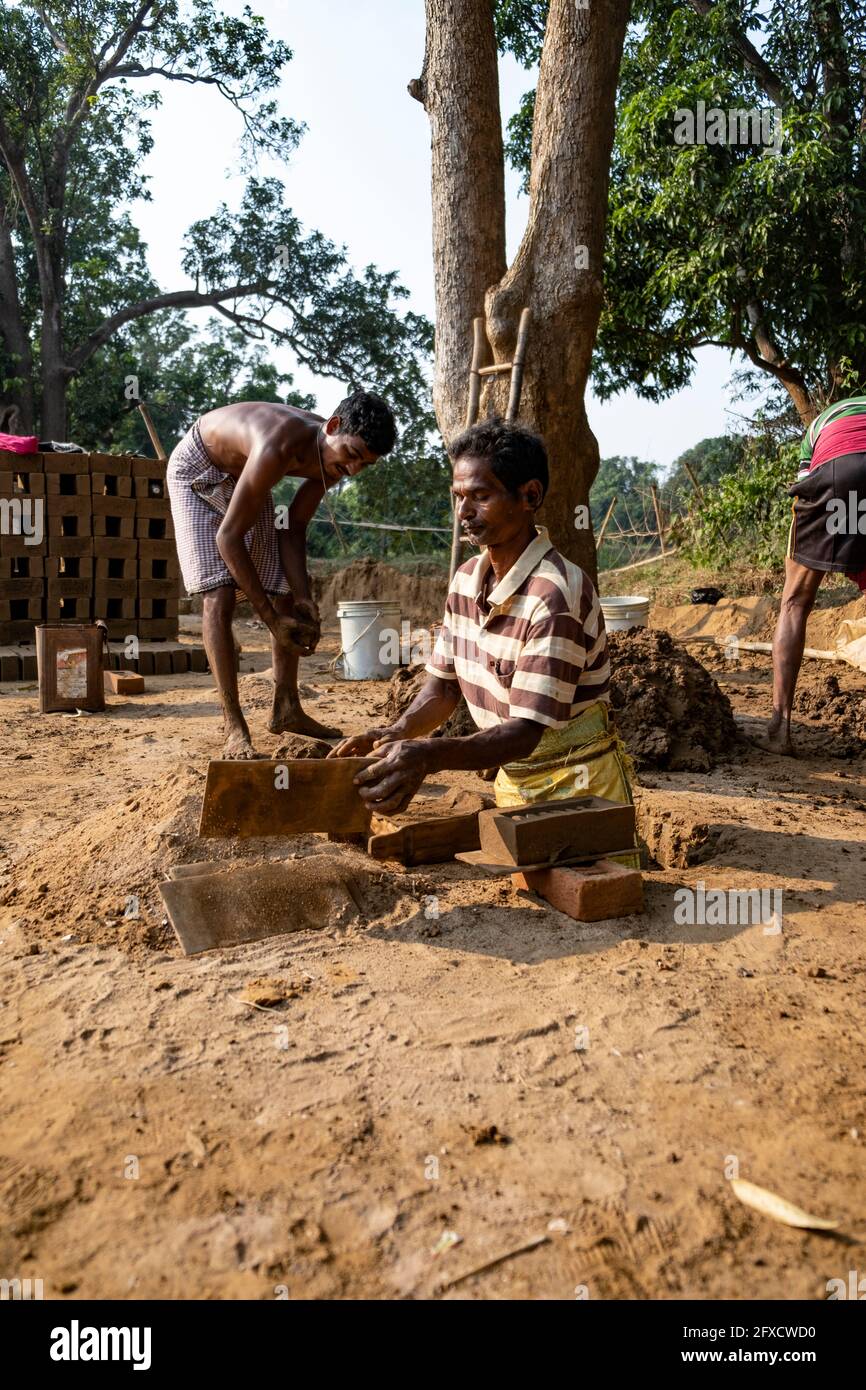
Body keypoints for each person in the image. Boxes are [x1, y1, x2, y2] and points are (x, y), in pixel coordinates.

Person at [330, 419, 639, 864]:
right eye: (459, 497)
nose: (464, 512)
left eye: (481, 496)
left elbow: (525, 734)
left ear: (530, 496)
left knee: (594, 895)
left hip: (580, 786)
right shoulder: (465, 580)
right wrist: (395, 732)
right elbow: (444, 687)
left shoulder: (554, 596)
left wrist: (428, 755)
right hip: (514, 780)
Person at [167, 392, 396, 758]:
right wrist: (271, 619)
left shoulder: (334, 459)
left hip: (245, 473)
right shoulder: (278, 445)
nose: (353, 470)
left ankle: (287, 708)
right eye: (352, 456)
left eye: (364, 465)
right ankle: (234, 726)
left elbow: (293, 528)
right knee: (219, 592)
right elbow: (228, 538)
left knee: (285, 587)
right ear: (333, 427)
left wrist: (302, 596)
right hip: (199, 470)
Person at [766, 395, 866, 755]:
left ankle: (779, 730)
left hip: (835, 470)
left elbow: (806, 479)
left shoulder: (823, 420)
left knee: (794, 601)